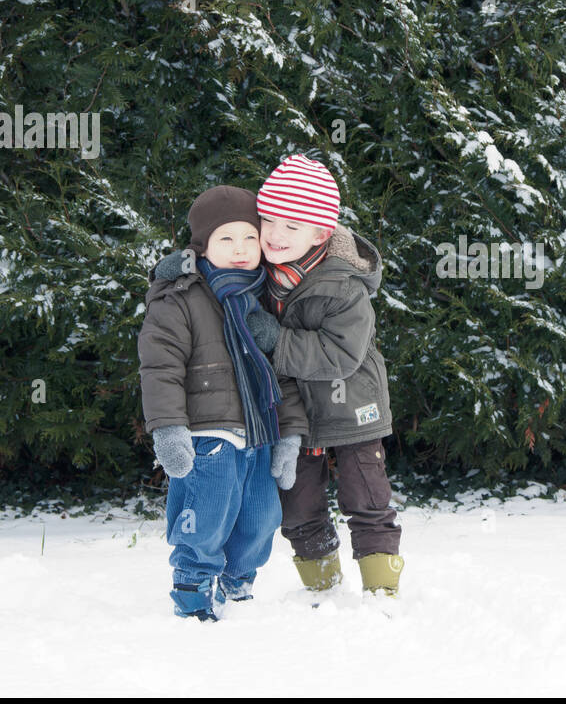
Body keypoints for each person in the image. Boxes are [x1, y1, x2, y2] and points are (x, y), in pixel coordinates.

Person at [151, 155, 405, 596]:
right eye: (268, 220)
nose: (275, 235)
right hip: (297, 414)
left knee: (367, 499)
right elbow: (213, 273)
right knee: (298, 505)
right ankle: (323, 588)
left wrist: (274, 339)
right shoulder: (260, 272)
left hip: (352, 408)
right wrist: (180, 264)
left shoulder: (344, 285)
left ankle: (382, 591)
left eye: (292, 226)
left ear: (321, 233)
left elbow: (340, 354)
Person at [137, 185, 300, 620]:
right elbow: (160, 367)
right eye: (226, 239)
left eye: (250, 237)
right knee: (205, 514)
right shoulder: (180, 295)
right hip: (206, 433)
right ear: (203, 245)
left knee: (260, 519)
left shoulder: (263, 296)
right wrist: (168, 429)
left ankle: (239, 583)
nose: (241, 249)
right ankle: (192, 585)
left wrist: (292, 434)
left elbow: (282, 372)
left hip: (260, 431)